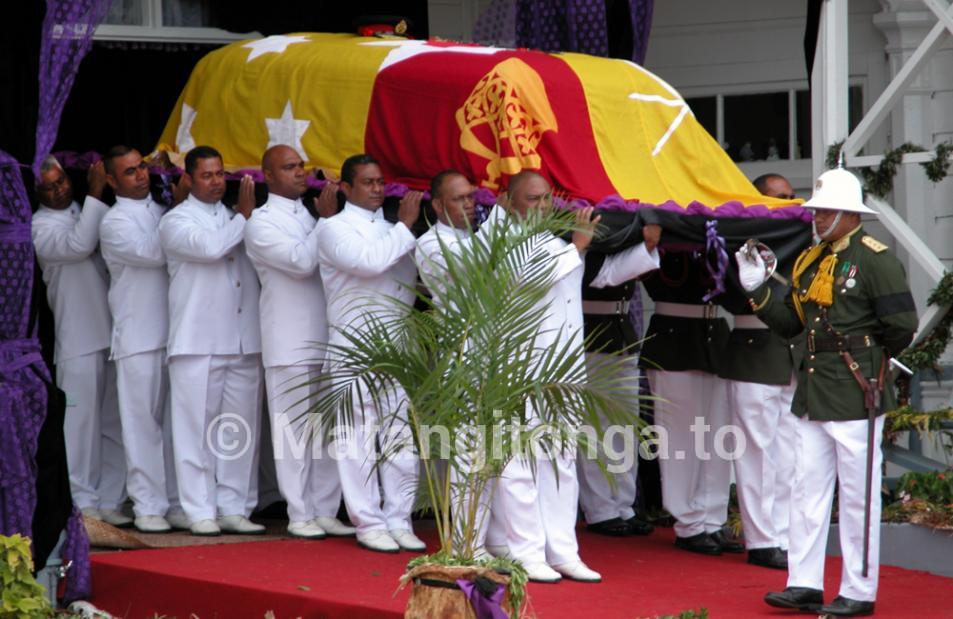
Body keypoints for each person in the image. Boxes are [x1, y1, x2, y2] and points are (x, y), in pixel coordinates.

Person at [737, 168, 917, 616]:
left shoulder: (874, 259)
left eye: (826, 211)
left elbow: (902, 327)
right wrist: (758, 291)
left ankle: (858, 589)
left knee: (857, 495)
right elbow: (793, 326)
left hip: (856, 391)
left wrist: (872, 362)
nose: (817, 218)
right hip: (815, 389)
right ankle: (804, 582)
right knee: (806, 490)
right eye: (816, 211)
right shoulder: (809, 261)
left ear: (850, 214)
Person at [482, 171, 660, 583]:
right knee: (523, 462)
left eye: (547, 199)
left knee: (561, 460)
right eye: (532, 199)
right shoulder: (496, 239)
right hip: (522, 371)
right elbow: (526, 278)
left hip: (563, 370)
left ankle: (562, 550)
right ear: (508, 202)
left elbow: (597, 276)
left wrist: (644, 248)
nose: (543, 207)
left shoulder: (551, 240)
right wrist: (578, 244)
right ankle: (526, 552)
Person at [244, 145, 355, 540]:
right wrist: (327, 222)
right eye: (289, 168)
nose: (299, 173)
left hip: (326, 337)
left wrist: (324, 221)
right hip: (288, 338)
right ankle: (299, 511)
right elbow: (300, 262)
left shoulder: (309, 214)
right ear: (268, 177)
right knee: (293, 431)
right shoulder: (259, 222)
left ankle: (325, 508)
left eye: (301, 166)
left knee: (328, 429)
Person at [316, 153, 424, 553]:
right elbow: (369, 262)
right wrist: (406, 227)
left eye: (380, 181)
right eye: (367, 182)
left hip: (395, 347)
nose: (377, 189)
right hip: (353, 348)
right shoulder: (332, 228)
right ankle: (367, 521)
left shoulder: (393, 228)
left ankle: (399, 518)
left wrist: (404, 230)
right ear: (345, 188)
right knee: (357, 441)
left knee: (400, 439)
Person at [158, 145, 264, 537]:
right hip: (197, 341)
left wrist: (244, 218)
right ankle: (199, 508)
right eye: (207, 175)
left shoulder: (237, 217)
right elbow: (210, 248)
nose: (217, 181)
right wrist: (245, 217)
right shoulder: (175, 221)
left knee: (238, 430)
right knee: (195, 431)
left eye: (220, 174)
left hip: (241, 339)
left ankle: (235, 506)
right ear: (188, 178)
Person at [32, 156, 129, 527]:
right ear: (37, 192)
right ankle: (80, 501)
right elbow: (78, 244)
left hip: (115, 331)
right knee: (80, 425)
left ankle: (109, 499)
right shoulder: (38, 226)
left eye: (61, 182)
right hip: (78, 338)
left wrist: (90, 197)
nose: (59, 190)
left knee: (113, 423)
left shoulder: (84, 208)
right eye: (50, 186)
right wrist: (94, 191)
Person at [98, 146, 185, 533]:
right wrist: (183, 214)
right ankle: (147, 504)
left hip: (176, 331)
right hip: (137, 334)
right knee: (140, 424)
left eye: (143, 168)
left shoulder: (161, 211)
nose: (141, 176)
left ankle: (177, 502)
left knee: (173, 425)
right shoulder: (114, 222)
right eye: (130, 172)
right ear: (113, 181)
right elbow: (156, 252)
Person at [718, 173, 800, 569]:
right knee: (756, 455)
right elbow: (739, 289)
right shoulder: (744, 242)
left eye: (791, 197)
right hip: (754, 354)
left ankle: (783, 533)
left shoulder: (802, 238)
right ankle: (762, 539)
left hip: (790, 358)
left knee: (788, 456)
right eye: (779, 198)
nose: (789, 203)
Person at [639, 251, 738, 556]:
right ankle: (688, 522)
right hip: (675, 337)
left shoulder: (717, 234)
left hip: (714, 338)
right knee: (681, 438)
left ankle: (712, 518)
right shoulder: (670, 235)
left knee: (718, 437)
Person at [576, 221, 661, 539]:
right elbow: (603, 274)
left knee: (624, 425)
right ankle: (601, 510)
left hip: (621, 335)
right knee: (595, 427)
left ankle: (623, 505)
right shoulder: (583, 242)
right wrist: (645, 248)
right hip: (591, 334)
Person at [413, 170, 483, 553]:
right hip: (460, 351)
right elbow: (474, 276)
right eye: (459, 199)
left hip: (487, 350)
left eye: (471, 196)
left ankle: (486, 532)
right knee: (465, 448)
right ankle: (463, 538)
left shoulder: (472, 237)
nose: (470, 204)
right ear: (438, 205)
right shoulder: (431, 243)